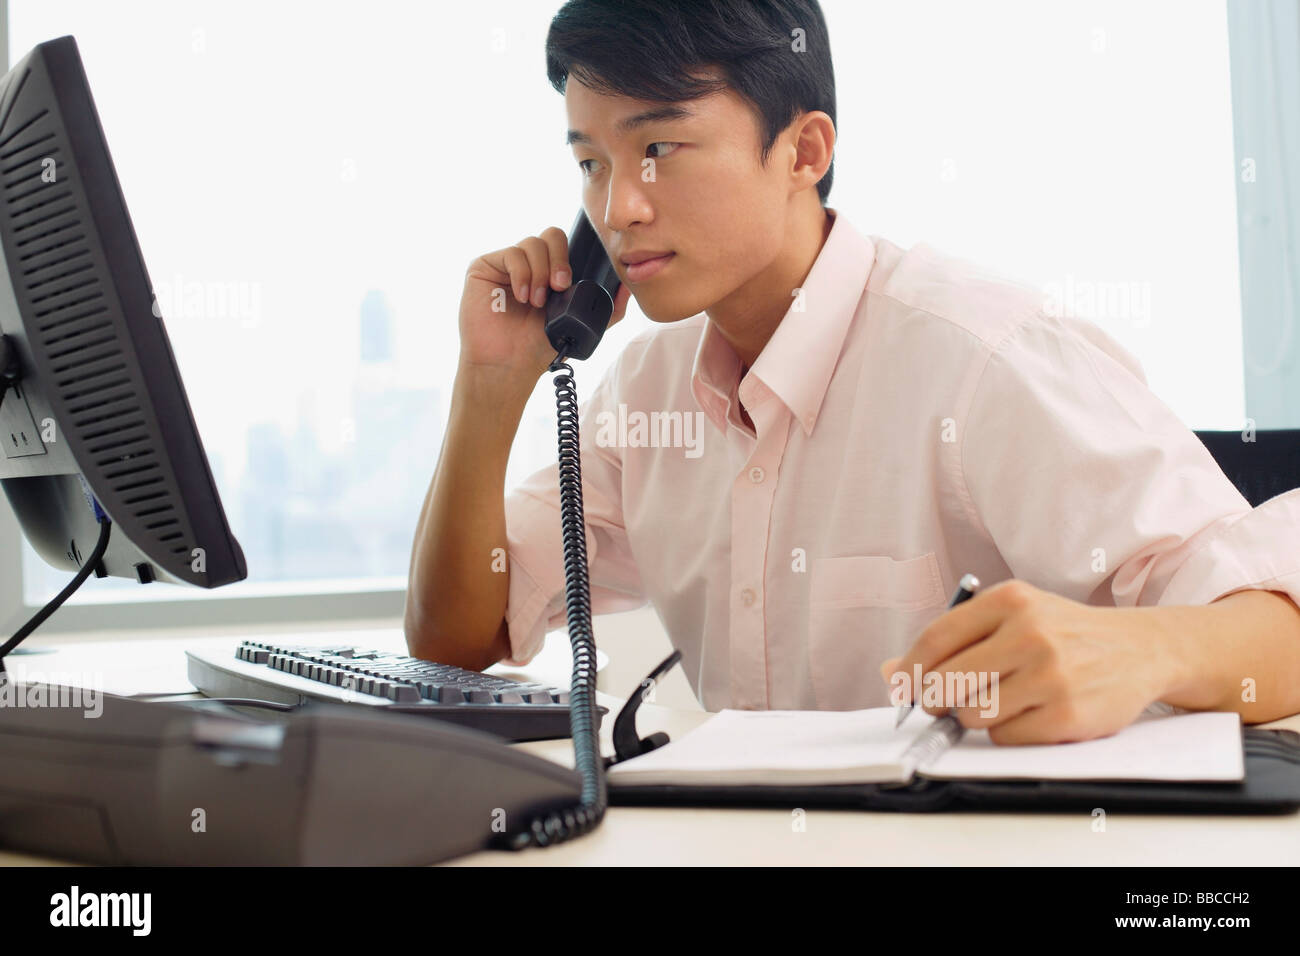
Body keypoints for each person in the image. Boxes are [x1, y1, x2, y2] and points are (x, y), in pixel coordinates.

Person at [405, 0, 1300, 745]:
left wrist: (1139, 651)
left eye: (658, 150)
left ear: (803, 153)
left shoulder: (983, 354)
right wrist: (491, 385)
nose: (618, 208)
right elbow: (457, 638)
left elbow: (1279, 631)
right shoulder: (643, 394)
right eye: (590, 165)